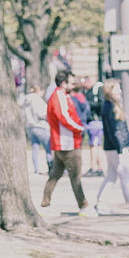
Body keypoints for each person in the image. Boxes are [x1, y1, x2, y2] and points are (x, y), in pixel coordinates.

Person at [41, 70, 91, 215]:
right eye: (71, 83)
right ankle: (83, 205)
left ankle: (45, 203)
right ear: (64, 83)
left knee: (55, 174)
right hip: (67, 143)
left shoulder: (60, 95)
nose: (73, 85)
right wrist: (80, 128)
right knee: (75, 176)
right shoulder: (59, 96)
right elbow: (64, 118)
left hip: (63, 142)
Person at [95, 79, 129, 216]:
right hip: (117, 148)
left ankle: (101, 203)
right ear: (110, 91)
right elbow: (114, 131)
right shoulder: (110, 107)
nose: (120, 91)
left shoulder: (112, 105)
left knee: (112, 176)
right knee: (125, 175)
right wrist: (120, 148)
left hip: (114, 147)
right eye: (117, 89)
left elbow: (121, 130)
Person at [22, 85, 52, 174]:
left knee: (35, 148)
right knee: (48, 148)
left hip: (31, 127)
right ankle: (51, 166)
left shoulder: (26, 100)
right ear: (40, 91)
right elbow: (41, 113)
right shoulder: (37, 100)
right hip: (41, 126)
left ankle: (36, 168)